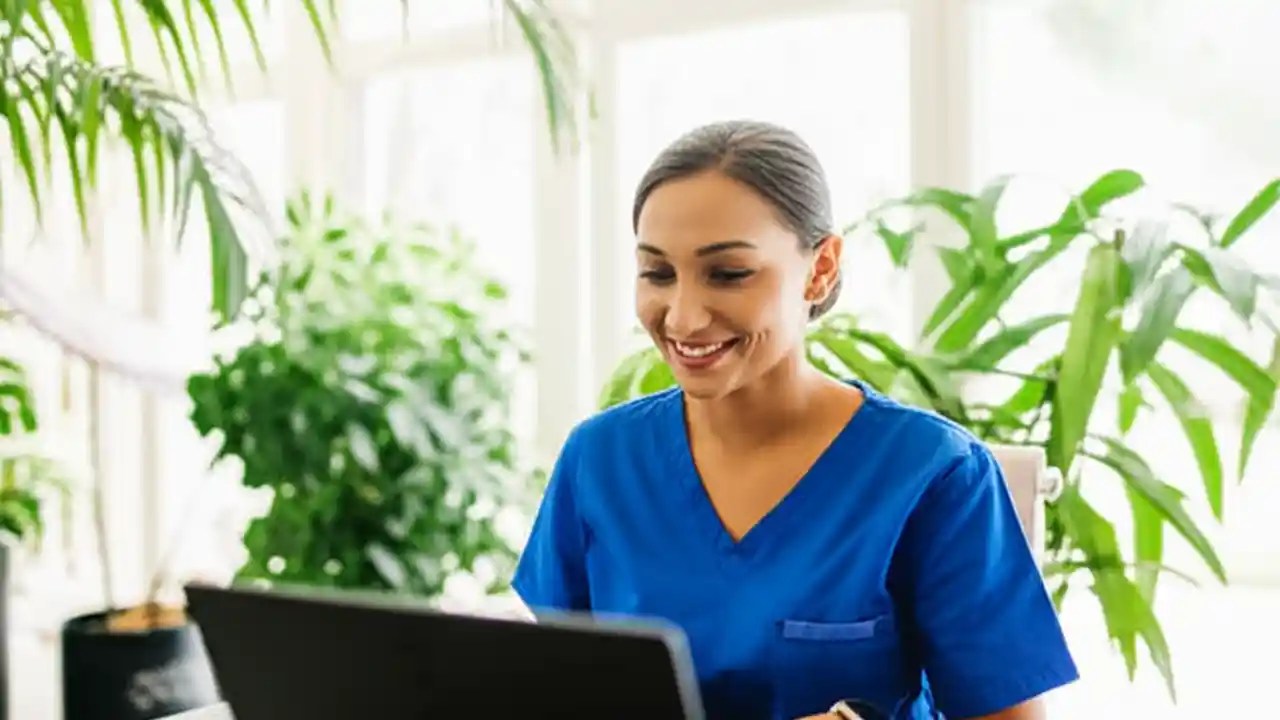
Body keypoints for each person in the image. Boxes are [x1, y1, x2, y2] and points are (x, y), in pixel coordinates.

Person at [512, 120, 1078, 719]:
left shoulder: (935, 477)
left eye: (728, 274)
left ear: (822, 267)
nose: (681, 317)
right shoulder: (599, 461)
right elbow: (553, 688)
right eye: (657, 273)